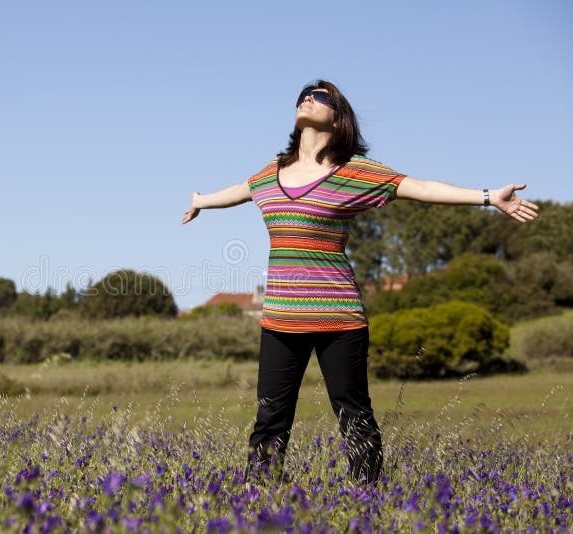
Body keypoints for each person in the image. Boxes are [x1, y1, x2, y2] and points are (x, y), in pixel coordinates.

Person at [180, 80, 540, 485]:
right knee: (270, 416)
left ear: (338, 117)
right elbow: (239, 191)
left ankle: (367, 498)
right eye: (304, 95)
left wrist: (490, 197)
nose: (308, 99)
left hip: (339, 318)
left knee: (353, 413)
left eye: (320, 97)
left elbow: (420, 188)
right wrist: (201, 201)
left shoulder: (355, 172)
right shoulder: (271, 173)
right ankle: (259, 499)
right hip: (280, 320)